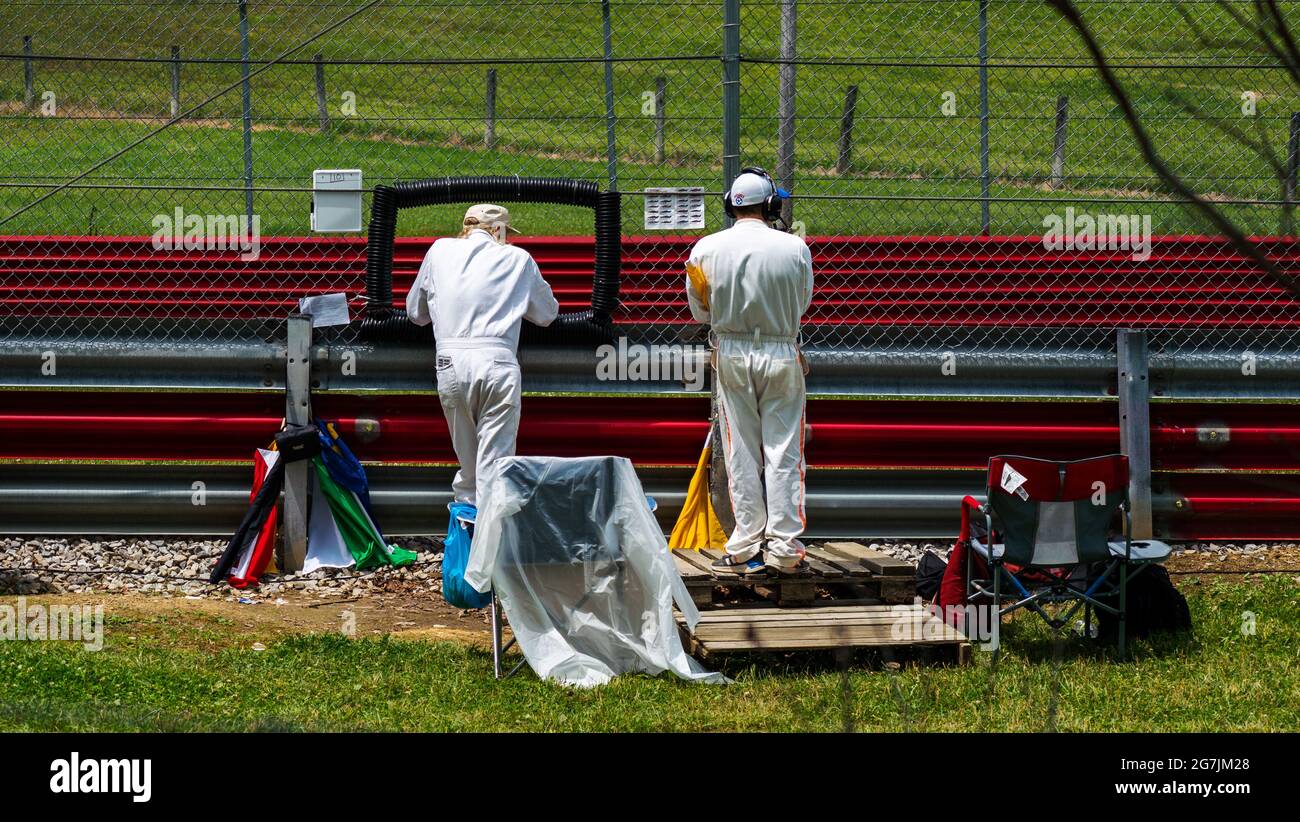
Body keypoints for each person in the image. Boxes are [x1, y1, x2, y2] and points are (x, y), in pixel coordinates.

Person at [685, 167, 814, 575]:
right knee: (784, 449)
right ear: (771, 204)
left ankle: (743, 544)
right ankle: (784, 546)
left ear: (731, 205)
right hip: (780, 350)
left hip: (731, 351)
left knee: (739, 447)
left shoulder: (704, 249)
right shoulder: (794, 248)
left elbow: (699, 309)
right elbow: (803, 302)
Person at [406, 204, 559, 508]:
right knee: (495, 463)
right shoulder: (518, 258)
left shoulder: (438, 251)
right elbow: (547, 314)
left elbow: (415, 313)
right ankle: (490, 544)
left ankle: (466, 530)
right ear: (499, 231)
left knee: (468, 463)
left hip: (449, 362)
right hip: (498, 361)